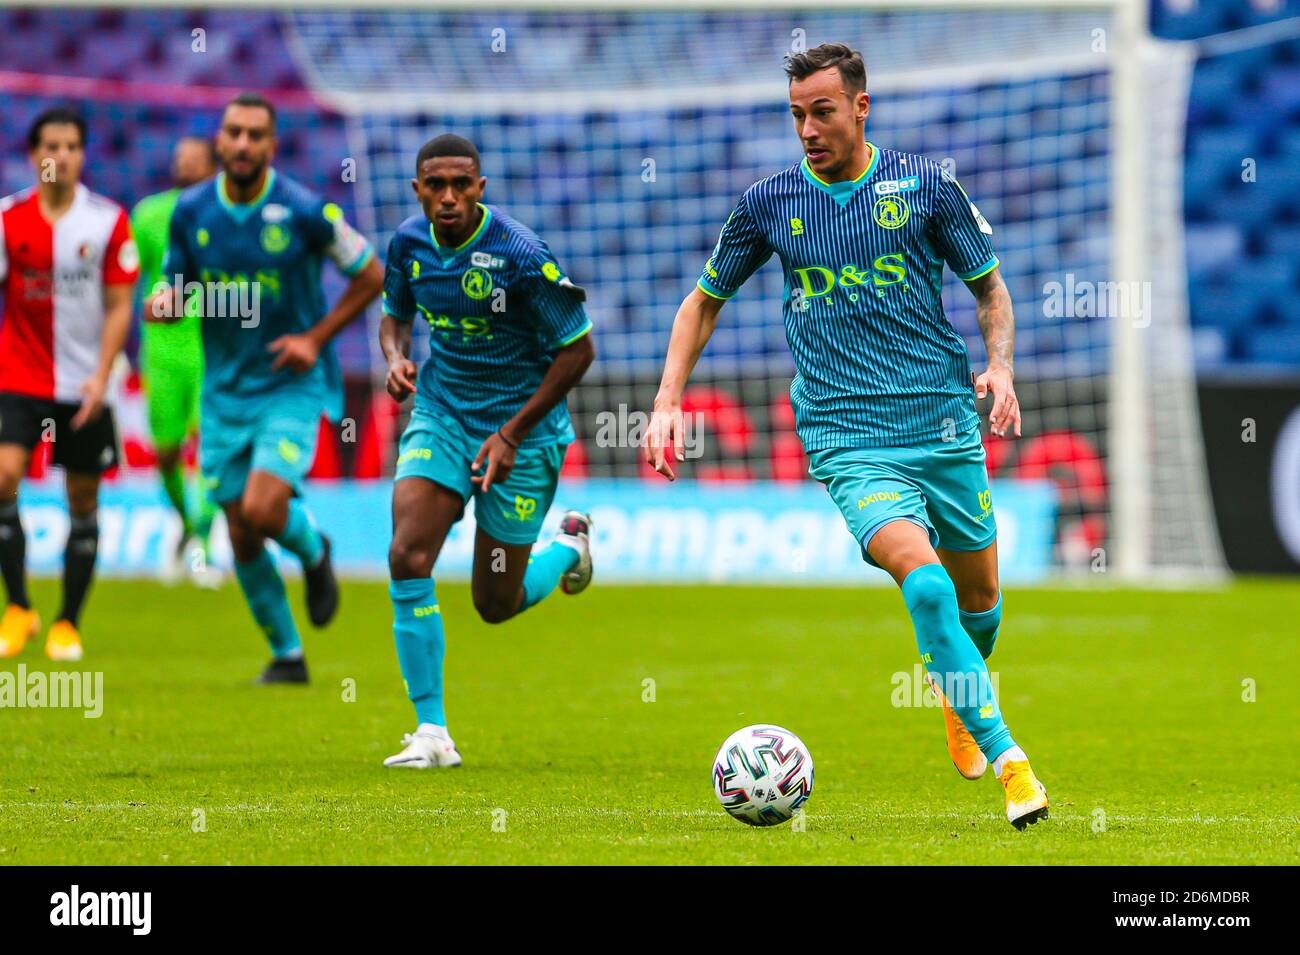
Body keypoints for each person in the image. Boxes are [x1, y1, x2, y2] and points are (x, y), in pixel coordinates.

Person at [644, 44, 1048, 829]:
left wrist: (1000, 367)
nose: (807, 129)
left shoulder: (927, 188)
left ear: (861, 107)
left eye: (821, 111)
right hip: (847, 436)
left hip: (942, 423)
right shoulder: (768, 204)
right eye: (796, 114)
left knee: (981, 605)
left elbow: (990, 289)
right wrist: (666, 399)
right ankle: (1014, 764)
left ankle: (957, 696)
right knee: (925, 585)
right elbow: (701, 302)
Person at [378, 134, 595, 769]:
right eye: (435, 186)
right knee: (406, 552)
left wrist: (510, 434)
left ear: (481, 188)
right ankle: (432, 733)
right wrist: (395, 357)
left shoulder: (521, 255)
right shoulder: (408, 244)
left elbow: (578, 351)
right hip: (442, 414)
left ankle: (569, 547)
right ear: (418, 189)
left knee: (493, 602)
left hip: (522, 433)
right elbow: (395, 312)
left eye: (461, 185)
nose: (448, 198)